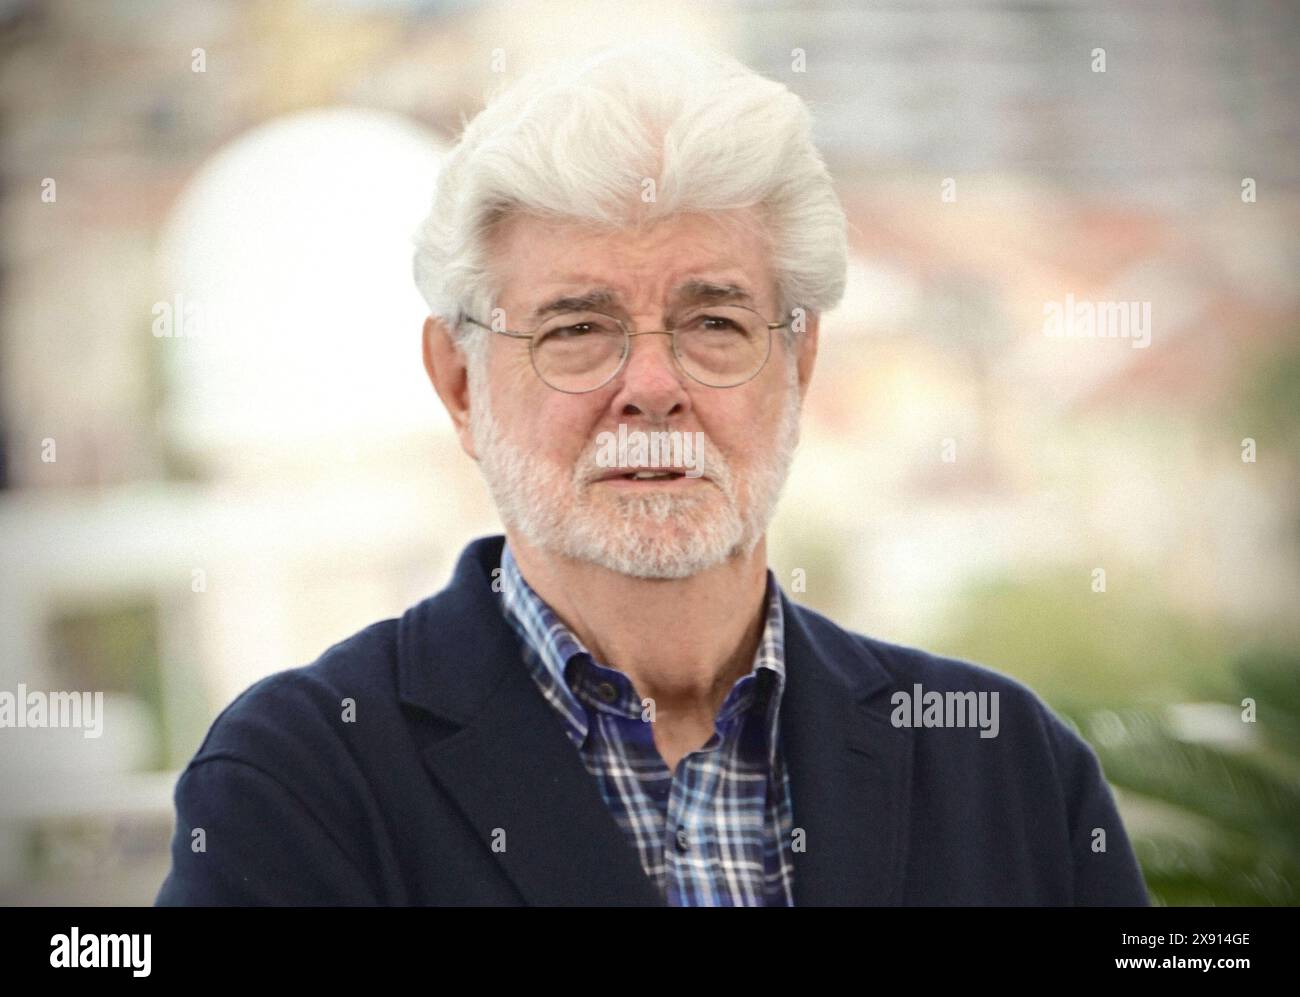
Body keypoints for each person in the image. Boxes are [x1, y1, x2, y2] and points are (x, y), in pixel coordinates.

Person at [156, 42, 1149, 906]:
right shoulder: (298, 780)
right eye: (576, 328)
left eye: (713, 322)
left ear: (797, 364)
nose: (651, 385)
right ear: (461, 384)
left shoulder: (1003, 763)